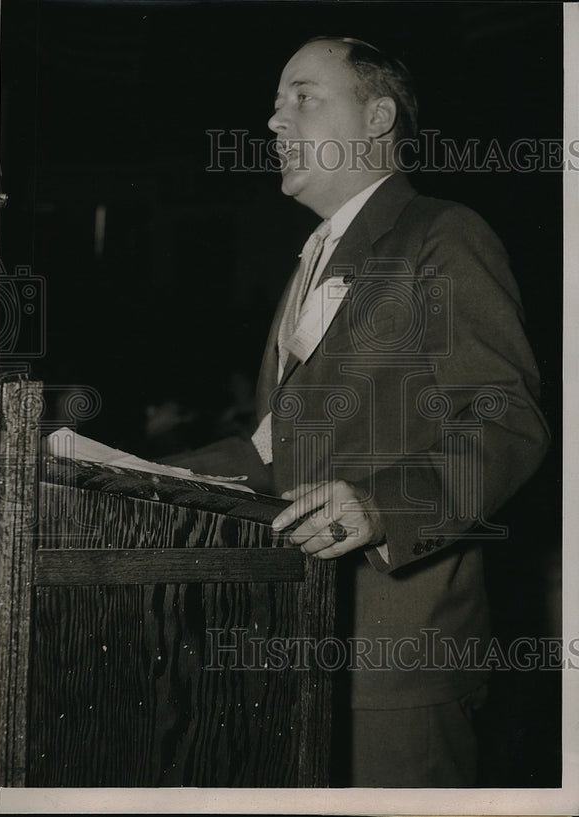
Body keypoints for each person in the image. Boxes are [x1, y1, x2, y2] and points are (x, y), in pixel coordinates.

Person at [169, 36, 550, 786]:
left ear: (377, 117)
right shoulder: (313, 258)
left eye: (302, 98)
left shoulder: (443, 234)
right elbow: (271, 450)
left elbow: (507, 420)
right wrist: (132, 470)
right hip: (299, 645)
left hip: (397, 666)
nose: (275, 123)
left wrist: (381, 509)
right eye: (275, 105)